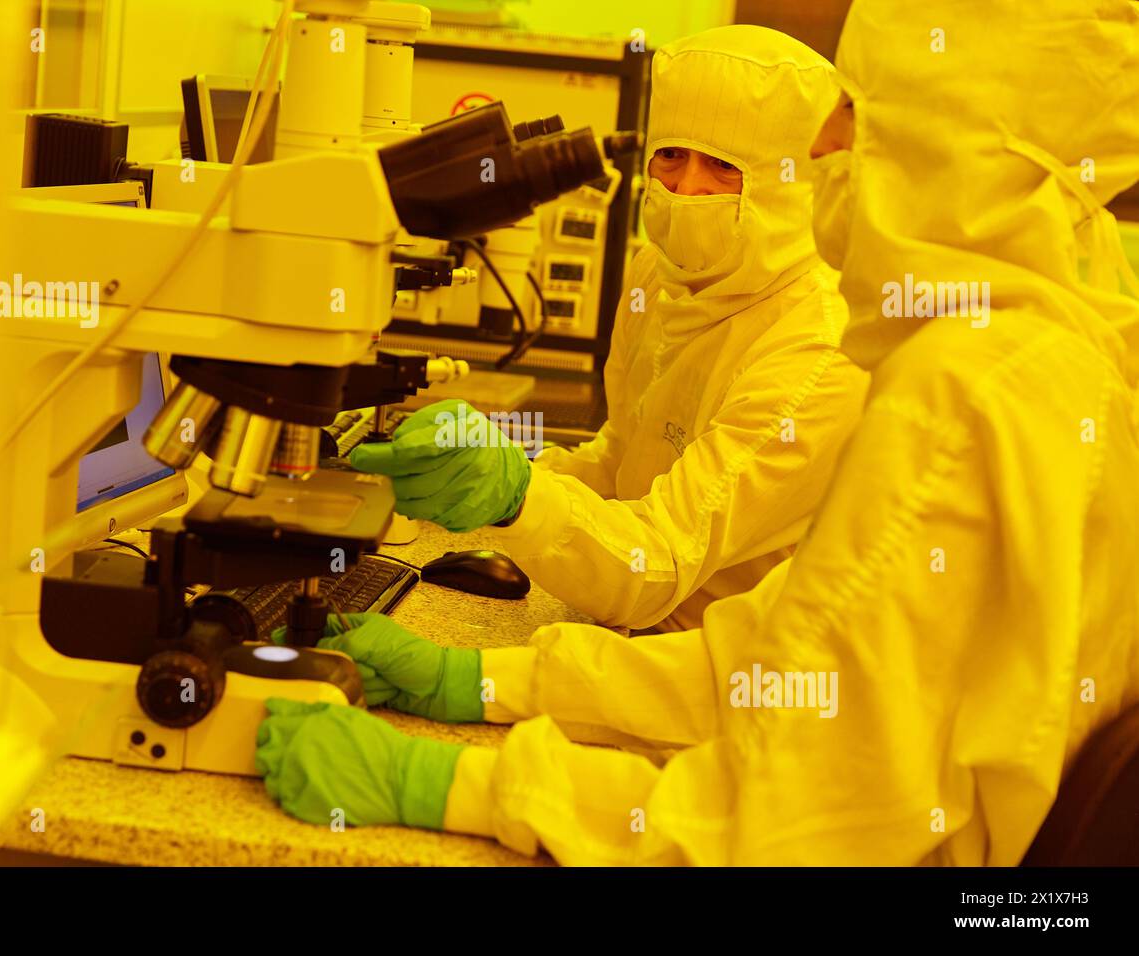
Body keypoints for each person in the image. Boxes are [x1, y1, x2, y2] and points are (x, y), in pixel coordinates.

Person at [257, 0, 1139, 865]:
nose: (826, 150)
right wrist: (482, 683)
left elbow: (776, 832)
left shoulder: (960, 398)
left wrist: (458, 787)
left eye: (855, 114)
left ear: (949, 136)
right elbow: (776, 658)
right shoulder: (1040, 358)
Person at [351, 26, 869, 632]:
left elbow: (655, 566)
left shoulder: (819, 349)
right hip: (622, 641)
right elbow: (623, 460)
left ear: (790, 181)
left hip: (720, 672)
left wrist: (517, 498)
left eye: (724, 167)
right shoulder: (657, 270)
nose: (686, 190)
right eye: (671, 155)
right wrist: (485, 482)